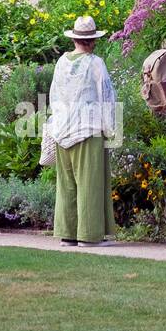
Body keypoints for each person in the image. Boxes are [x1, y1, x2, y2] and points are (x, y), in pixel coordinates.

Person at [47, 15, 118, 247]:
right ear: (93, 40)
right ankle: (89, 236)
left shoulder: (61, 62)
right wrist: (110, 129)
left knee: (66, 185)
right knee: (90, 183)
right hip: (87, 130)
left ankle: (67, 235)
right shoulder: (95, 63)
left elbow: (54, 96)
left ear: (75, 39)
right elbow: (106, 97)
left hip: (62, 130)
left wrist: (56, 123)